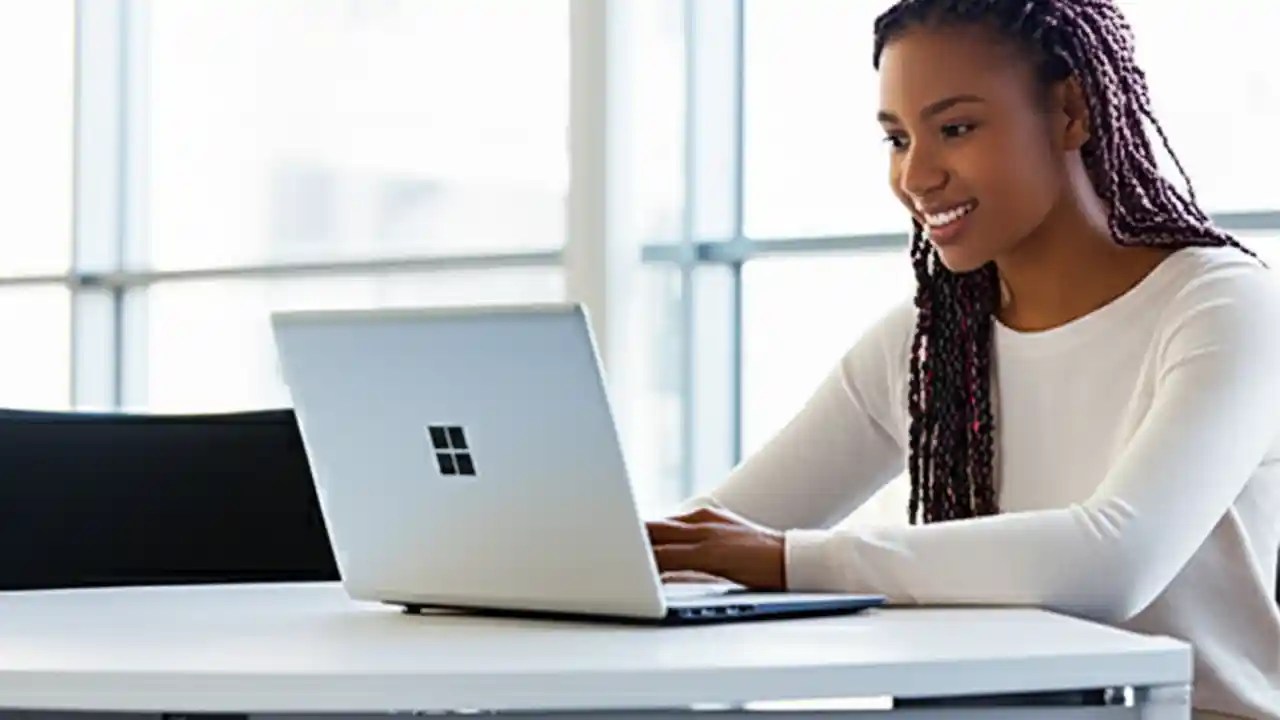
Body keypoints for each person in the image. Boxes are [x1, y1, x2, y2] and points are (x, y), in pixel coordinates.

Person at [645, 2, 1280, 718]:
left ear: (1072, 110)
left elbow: (1114, 562)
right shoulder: (925, 342)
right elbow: (710, 540)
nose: (916, 176)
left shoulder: (1223, 307)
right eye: (896, 139)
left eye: (955, 129)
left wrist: (789, 559)